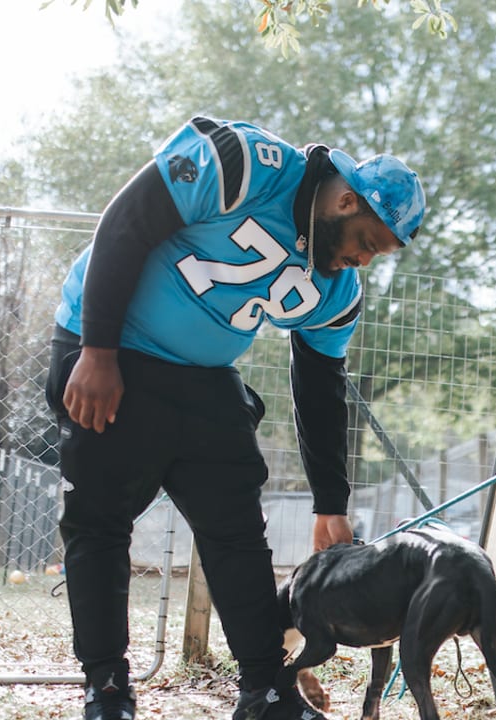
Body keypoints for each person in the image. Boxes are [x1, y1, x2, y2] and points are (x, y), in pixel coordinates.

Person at [45, 115, 426, 720]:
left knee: (237, 529)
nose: (363, 262)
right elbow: (130, 216)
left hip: (204, 375)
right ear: (346, 200)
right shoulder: (246, 164)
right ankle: (108, 688)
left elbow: (319, 384)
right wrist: (97, 350)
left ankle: (266, 692)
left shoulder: (336, 290)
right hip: (112, 345)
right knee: (99, 522)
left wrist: (331, 502)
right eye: (368, 242)